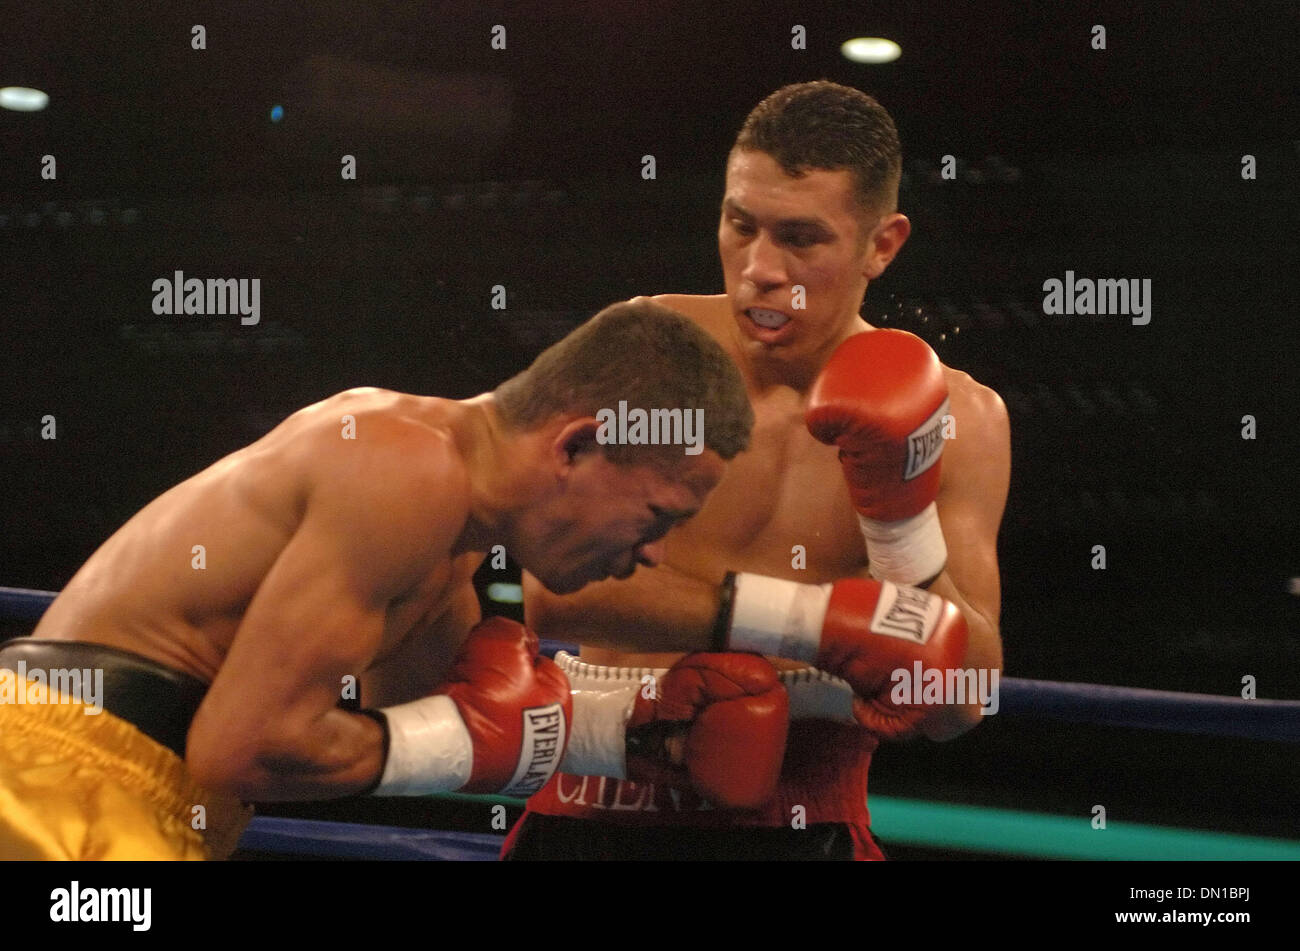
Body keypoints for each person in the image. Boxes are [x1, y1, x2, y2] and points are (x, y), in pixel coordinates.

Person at [0, 299, 791, 860]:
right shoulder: (408, 470)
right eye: (654, 514)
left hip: (140, 790)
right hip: (65, 777)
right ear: (575, 447)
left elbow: (445, 717)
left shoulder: (458, 533)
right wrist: (460, 737)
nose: (653, 553)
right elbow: (243, 747)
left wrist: (629, 727)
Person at [505, 81, 1011, 860]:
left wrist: (898, 524)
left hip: (803, 827)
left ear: (883, 243)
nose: (760, 269)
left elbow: (963, 699)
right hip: (591, 810)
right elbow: (556, 590)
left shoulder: (961, 419)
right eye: (741, 226)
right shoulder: (650, 348)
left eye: (801, 238)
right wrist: (813, 624)